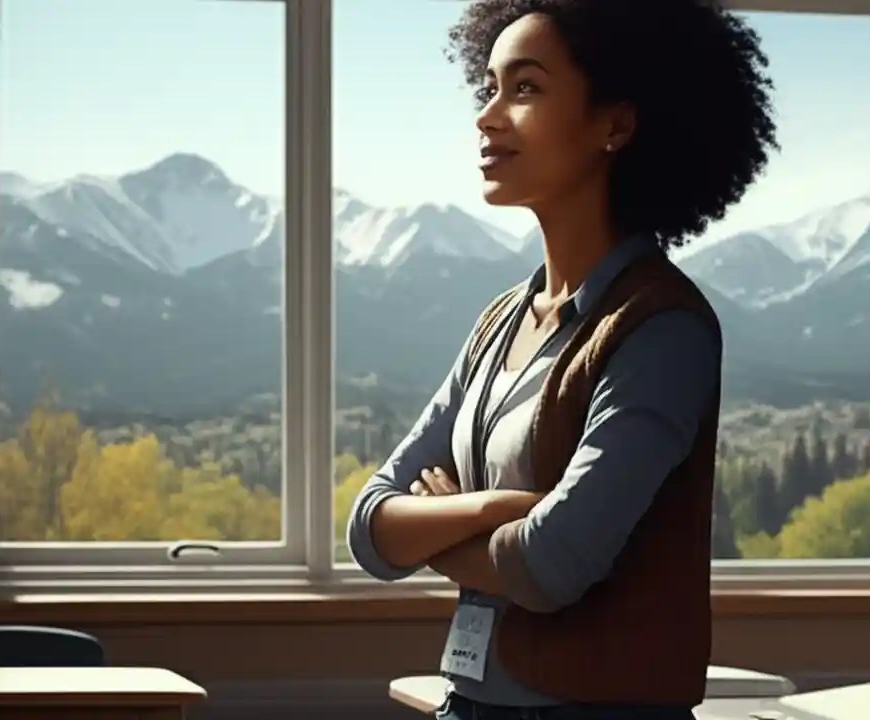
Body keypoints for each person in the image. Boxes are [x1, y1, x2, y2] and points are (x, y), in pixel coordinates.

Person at [346, 0, 777, 718]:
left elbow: (552, 567)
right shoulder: (498, 322)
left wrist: (438, 528)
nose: (487, 116)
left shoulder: (661, 328)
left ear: (616, 124)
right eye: (488, 86)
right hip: (466, 702)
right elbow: (369, 525)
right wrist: (494, 510)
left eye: (526, 88)